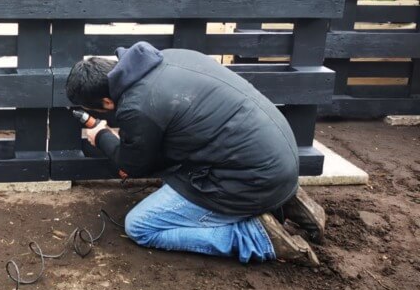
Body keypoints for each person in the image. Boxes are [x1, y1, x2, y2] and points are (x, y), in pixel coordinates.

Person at [66, 42, 326, 266]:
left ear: (107, 102)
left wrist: (101, 135)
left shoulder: (138, 106)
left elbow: (133, 165)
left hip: (252, 178)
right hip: (280, 156)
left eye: (97, 110)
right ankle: (288, 202)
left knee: (139, 226)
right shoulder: (168, 57)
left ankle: (254, 237)